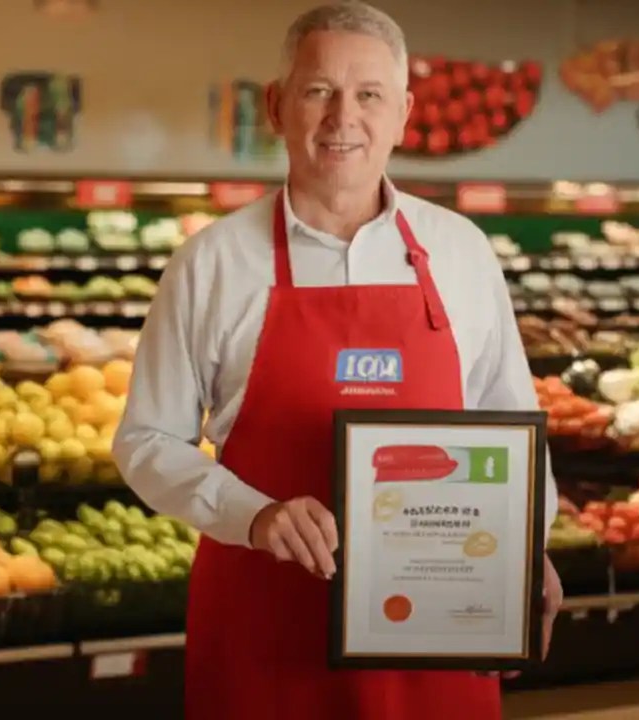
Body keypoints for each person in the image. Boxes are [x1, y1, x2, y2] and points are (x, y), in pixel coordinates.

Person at [111, 3, 563, 718]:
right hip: (265, 630)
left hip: (435, 624)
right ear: (278, 105)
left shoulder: (461, 252)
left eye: (369, 94)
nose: (342, 118)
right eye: (319, 90)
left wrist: (525, 545)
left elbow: (511, 419)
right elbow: (145, 440)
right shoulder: (213, 263)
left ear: (405, 112)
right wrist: (254, 515)